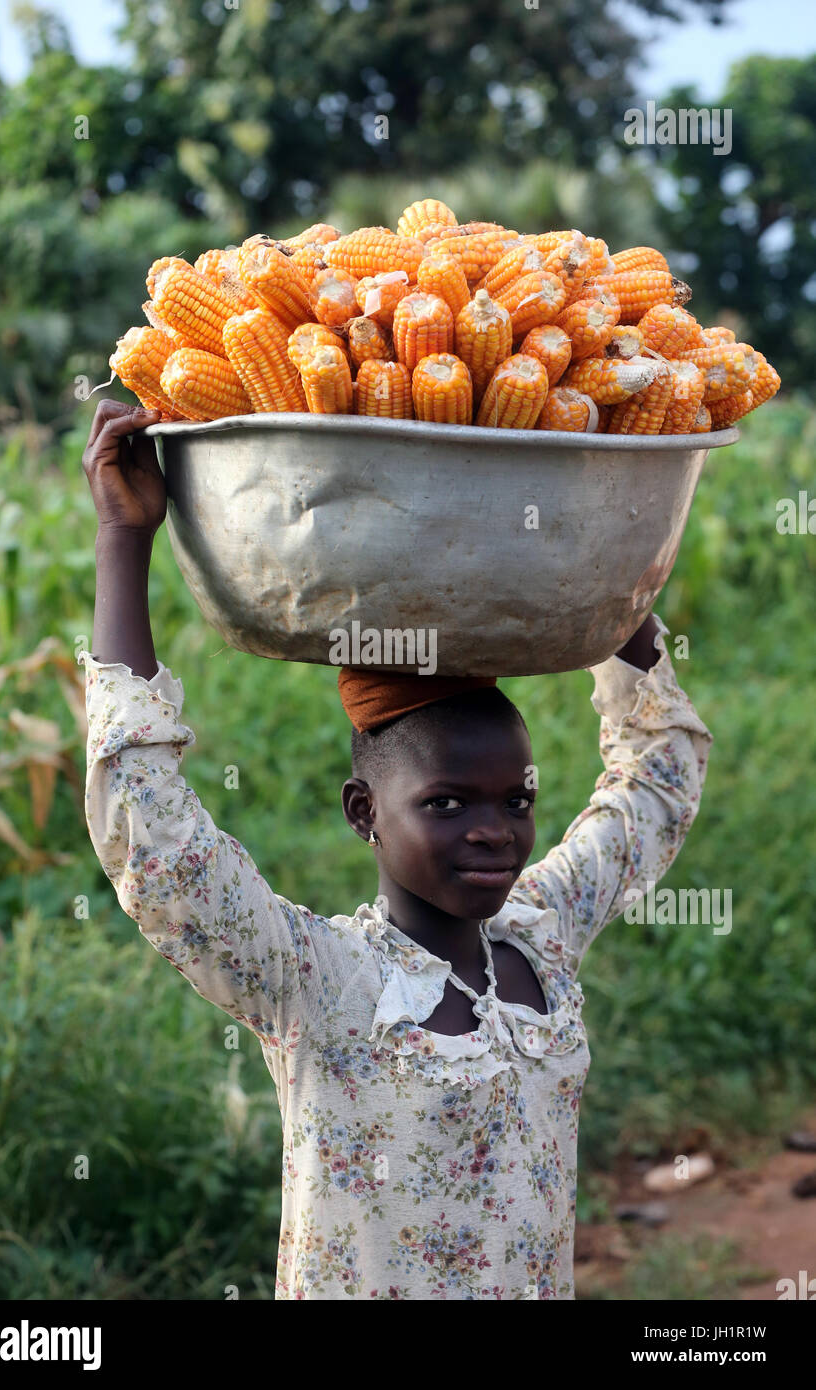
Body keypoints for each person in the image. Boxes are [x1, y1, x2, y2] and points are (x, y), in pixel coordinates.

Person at [79, 399, 713, 1300]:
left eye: (515, 799)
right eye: (447, 803)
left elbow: (658, 774)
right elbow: (153, 836)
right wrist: (123, 540)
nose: (494, 828)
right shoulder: (316, 983)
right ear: (364, 810)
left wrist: (612, 567)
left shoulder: (543, 936)